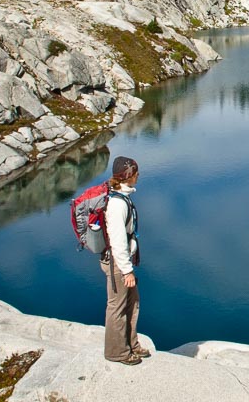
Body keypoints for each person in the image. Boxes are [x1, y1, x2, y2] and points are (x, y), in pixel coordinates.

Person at [101, 155, 150, 365]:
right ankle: (116, 352)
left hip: (121, 263)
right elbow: (118, 241)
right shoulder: (117, 205)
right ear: (128, 176)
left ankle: (131, 344)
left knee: (132, 302)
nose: (138, 176)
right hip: (117, 264)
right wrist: (127, 271)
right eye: (136, 173)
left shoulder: (121, 196)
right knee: (118, 306)